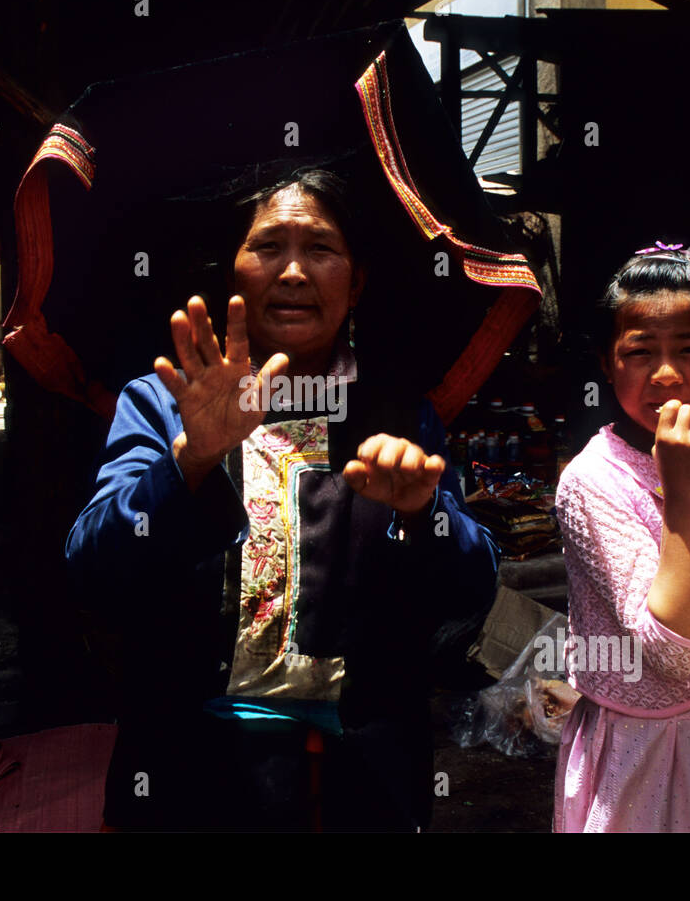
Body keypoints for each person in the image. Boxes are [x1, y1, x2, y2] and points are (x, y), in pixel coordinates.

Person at [65, 169, 500, 831]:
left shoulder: (398, 414)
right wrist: (190, 461)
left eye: (321, 248)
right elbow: (93, 566)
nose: (293, 271)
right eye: (268, 245)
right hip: (193, 774)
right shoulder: (163, 402)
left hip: (367, 784)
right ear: (233, 272)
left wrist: (424, 512)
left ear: (355, 283)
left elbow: (473, 589)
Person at [554, 247, 690, 832]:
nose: (666, 374)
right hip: (644, 750)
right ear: (608, 365)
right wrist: (684, 497)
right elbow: (669, 653)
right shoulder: (591, 481)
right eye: (640, 352)